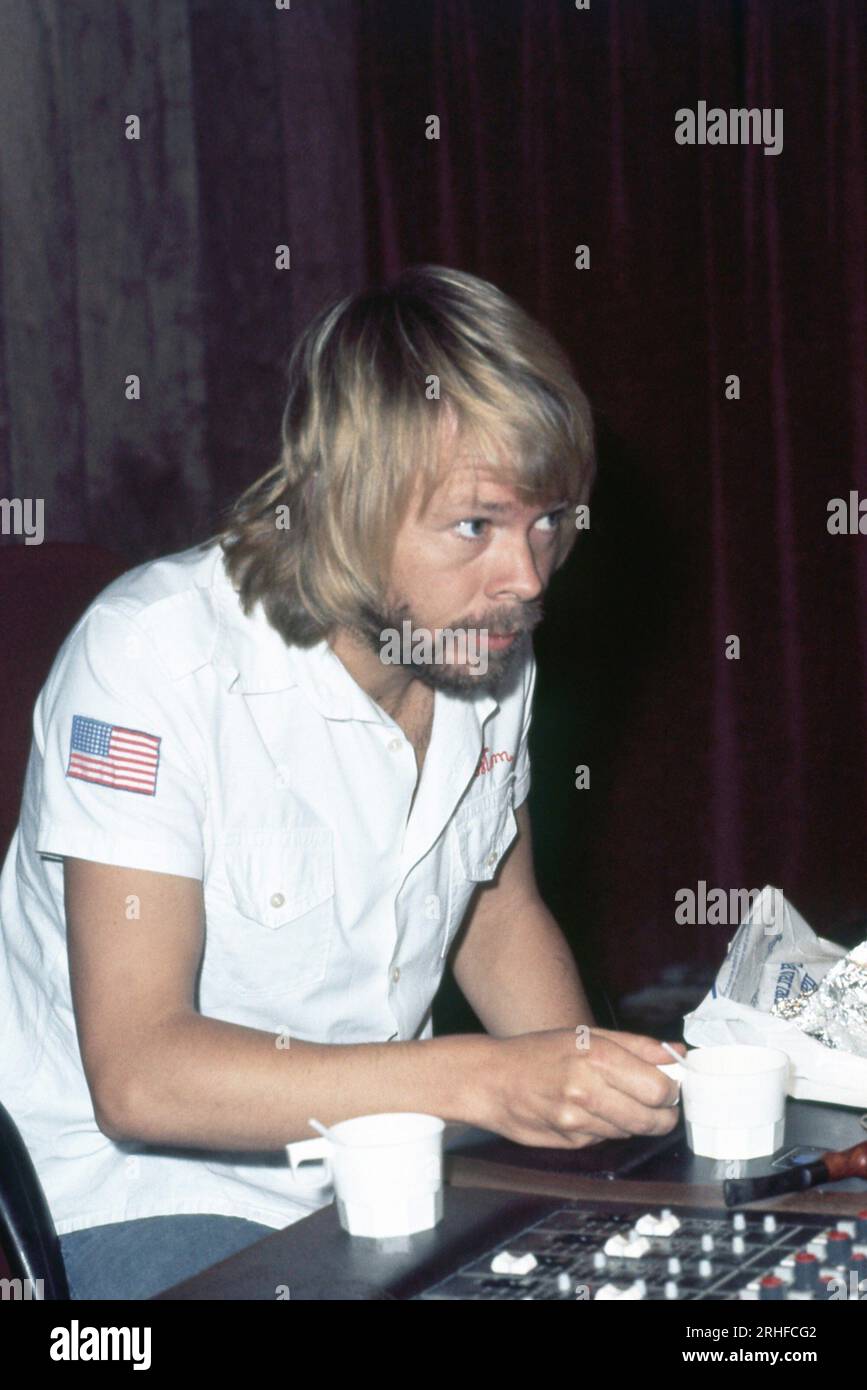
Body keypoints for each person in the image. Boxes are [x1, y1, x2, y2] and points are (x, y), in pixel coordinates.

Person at [0, 264, 682, 1299]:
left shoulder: (479, 643)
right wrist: (489, 1082)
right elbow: (140, 1075)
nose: (530, 576)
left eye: (551, 521)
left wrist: (601, 1131)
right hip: (134, 1197)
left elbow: (495, 910)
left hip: (378, 1174)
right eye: (478, 525)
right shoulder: (151, 656)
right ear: (345, 503)